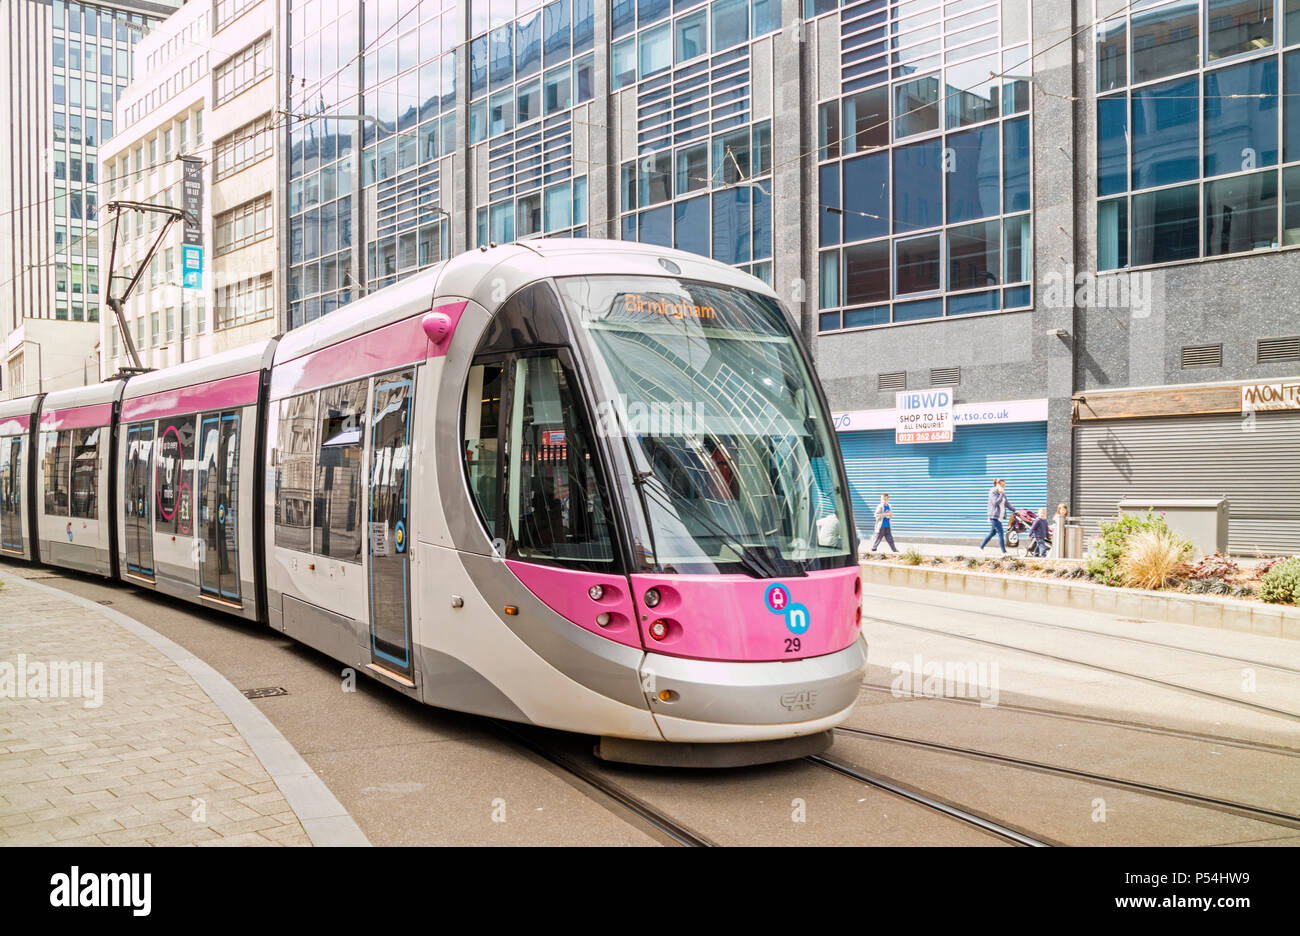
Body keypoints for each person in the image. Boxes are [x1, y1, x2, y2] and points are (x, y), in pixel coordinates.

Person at [980, 479, 1008, 553]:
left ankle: (981, 546)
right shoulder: (993, 492)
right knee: (1000, 532)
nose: (1003, 487)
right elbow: (996, 503)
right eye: (1002, 485)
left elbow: (1007, 503)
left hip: (1000, 517)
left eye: (1004, 485)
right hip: (994, 516)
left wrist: (1015, 510)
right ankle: (1004, 552)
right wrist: (1001, 494)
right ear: (997, 484)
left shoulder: (1002, 493)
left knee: (992, 533)